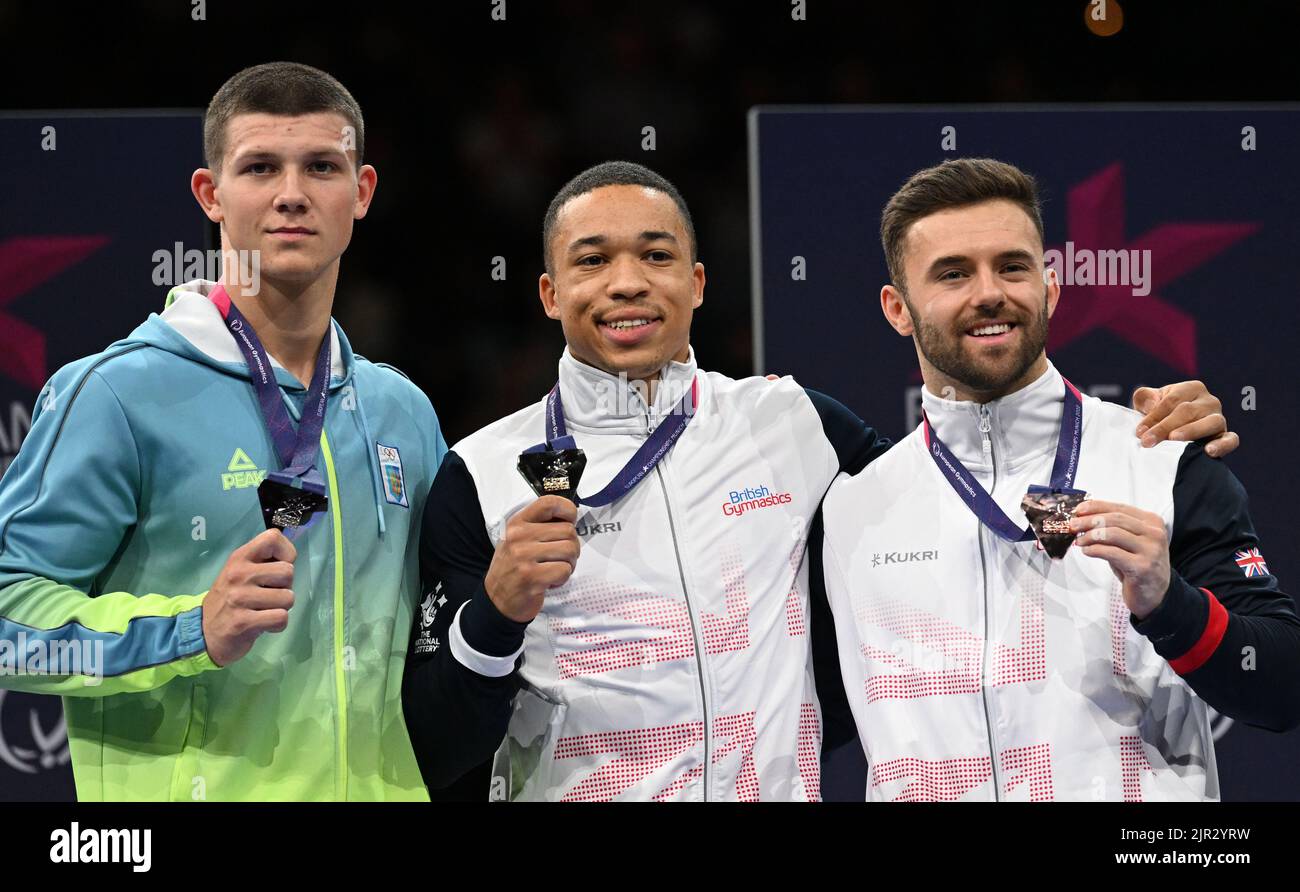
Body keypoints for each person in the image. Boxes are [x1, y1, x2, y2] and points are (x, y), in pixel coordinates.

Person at [400, 160, 1234, 802]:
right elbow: (432, 748)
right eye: (593, 261)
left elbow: (961, 468)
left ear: (695, 284)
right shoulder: (477, 474)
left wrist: (1133, 437)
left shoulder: (795, 425)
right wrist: (495, 617)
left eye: (656, 255)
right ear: (550, 292)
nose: (627, 282)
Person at [0, 62, 445, 801]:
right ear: (212, 194)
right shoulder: (118, 394)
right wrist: (189, 629)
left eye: (321, 167)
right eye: (260, 167)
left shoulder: (400, 411)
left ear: (361, 192)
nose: (292, 194)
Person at [817, 157, 1300, 801]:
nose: (989, 292)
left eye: (1012, 266)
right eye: (954, 273)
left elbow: (1282, 688)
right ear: (898, 309)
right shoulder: (853, 507)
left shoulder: (1161, 460)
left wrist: (1169, 603)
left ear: (1050, 287)